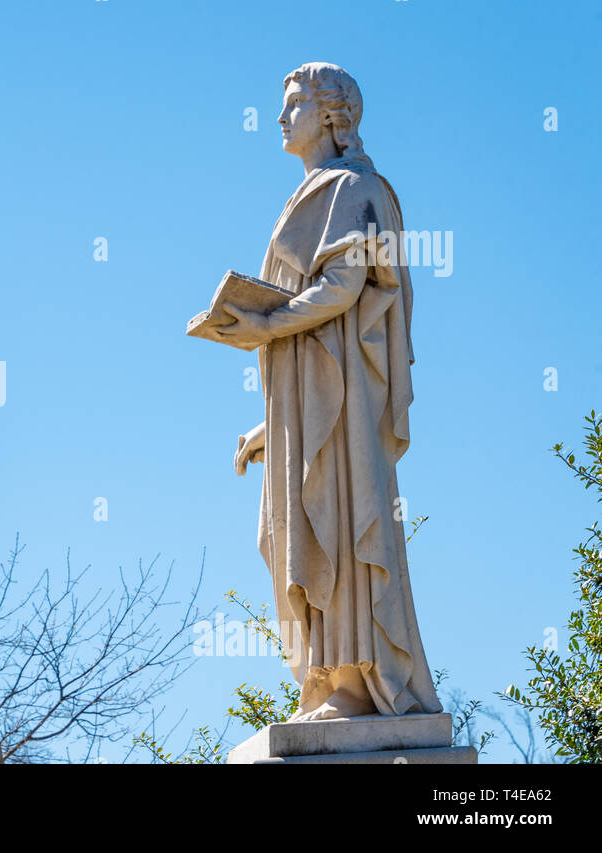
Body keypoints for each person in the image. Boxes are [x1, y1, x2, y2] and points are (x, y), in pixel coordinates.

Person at [217, 62, 442, 722]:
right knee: (299, 536)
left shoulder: (354, 188)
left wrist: (262, 322)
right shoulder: (312, 194)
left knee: (342, 526)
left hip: (343, 411)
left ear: (331, 116)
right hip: (308, 401)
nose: (281, 118)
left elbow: (342, 289)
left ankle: (351, 685)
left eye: (294, 105)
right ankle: (324, 680)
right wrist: (272, 425)